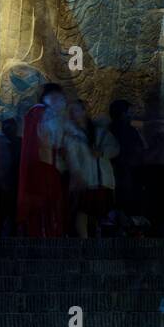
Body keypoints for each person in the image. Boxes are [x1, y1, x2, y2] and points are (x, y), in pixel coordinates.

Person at [16, 83, 69, 237]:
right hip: (43, 166)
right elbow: (48, 139)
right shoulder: (41, 112)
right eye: (58, 98)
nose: (61, 101)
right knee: (44, 208)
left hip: (42, 165)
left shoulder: (36, 112)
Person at [62, 101, 119, 238]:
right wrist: (76, 174)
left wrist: (102, 153)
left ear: (84, 111)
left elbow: (115, 147)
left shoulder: (100, 132)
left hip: (101, 178)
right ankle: (85, 241)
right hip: (85, 179)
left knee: (98, 212)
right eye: (72, 111)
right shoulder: (71, 135)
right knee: (83, 211)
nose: (73, 114)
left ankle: (96, 239)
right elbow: (71, 157)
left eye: (76, 110)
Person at [107, 99, 148, 235]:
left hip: (115, 173)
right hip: (128, 173)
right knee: (128, 206)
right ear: (123, 114)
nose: (131, 115)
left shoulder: (109, 129)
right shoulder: (128, 130)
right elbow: (139, 149)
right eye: (129, 113)